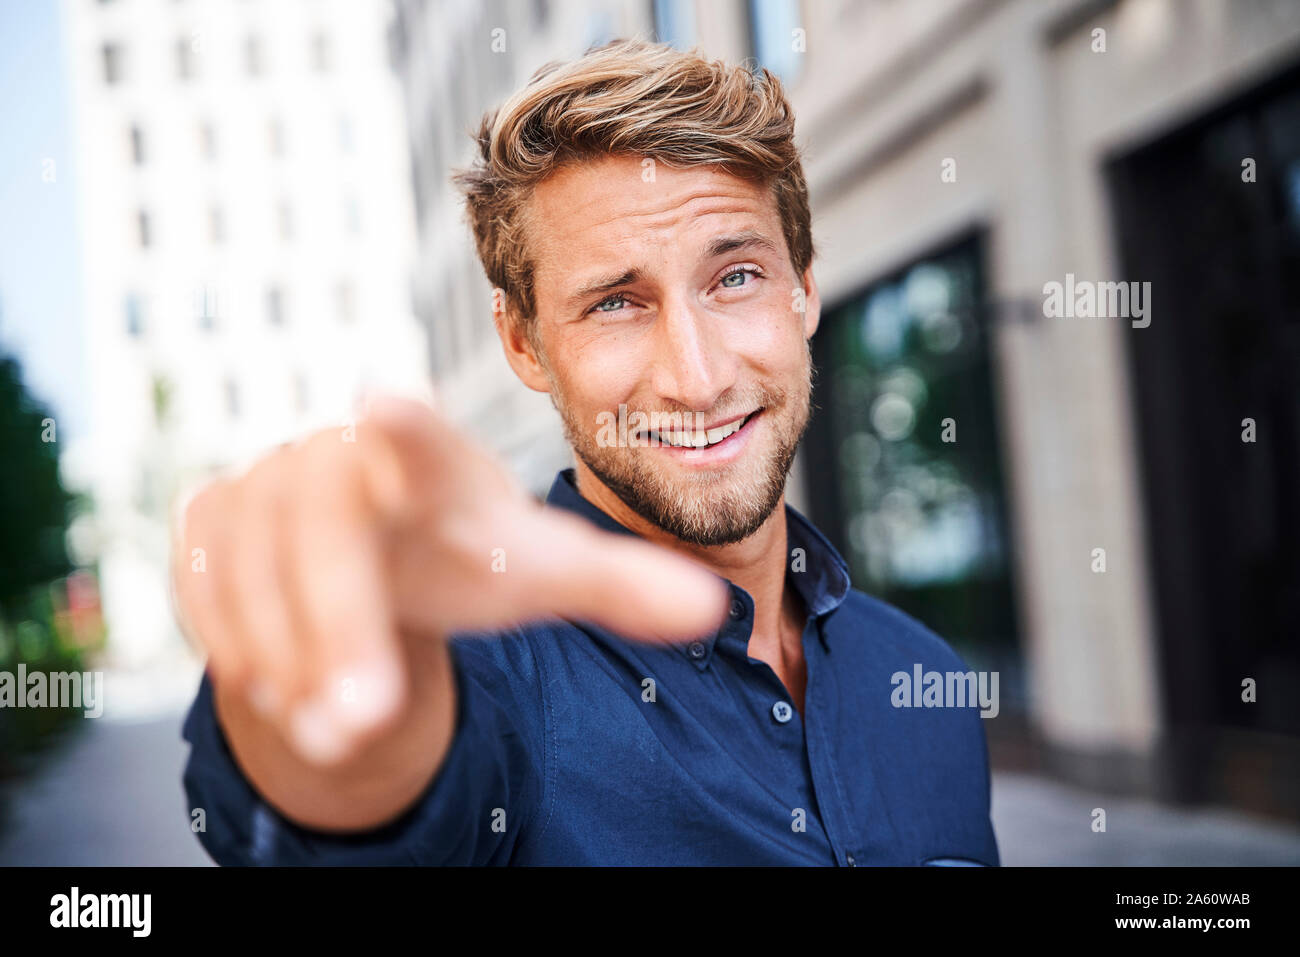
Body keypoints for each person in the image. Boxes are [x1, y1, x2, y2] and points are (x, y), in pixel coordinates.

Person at [176, 38, 999, 866]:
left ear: (805, 288)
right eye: (615, 302)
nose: (699, 377)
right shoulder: (494, 665)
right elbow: (350, 808)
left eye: (736, 277)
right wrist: (346, 714)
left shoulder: (923, 675)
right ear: (523, 342)